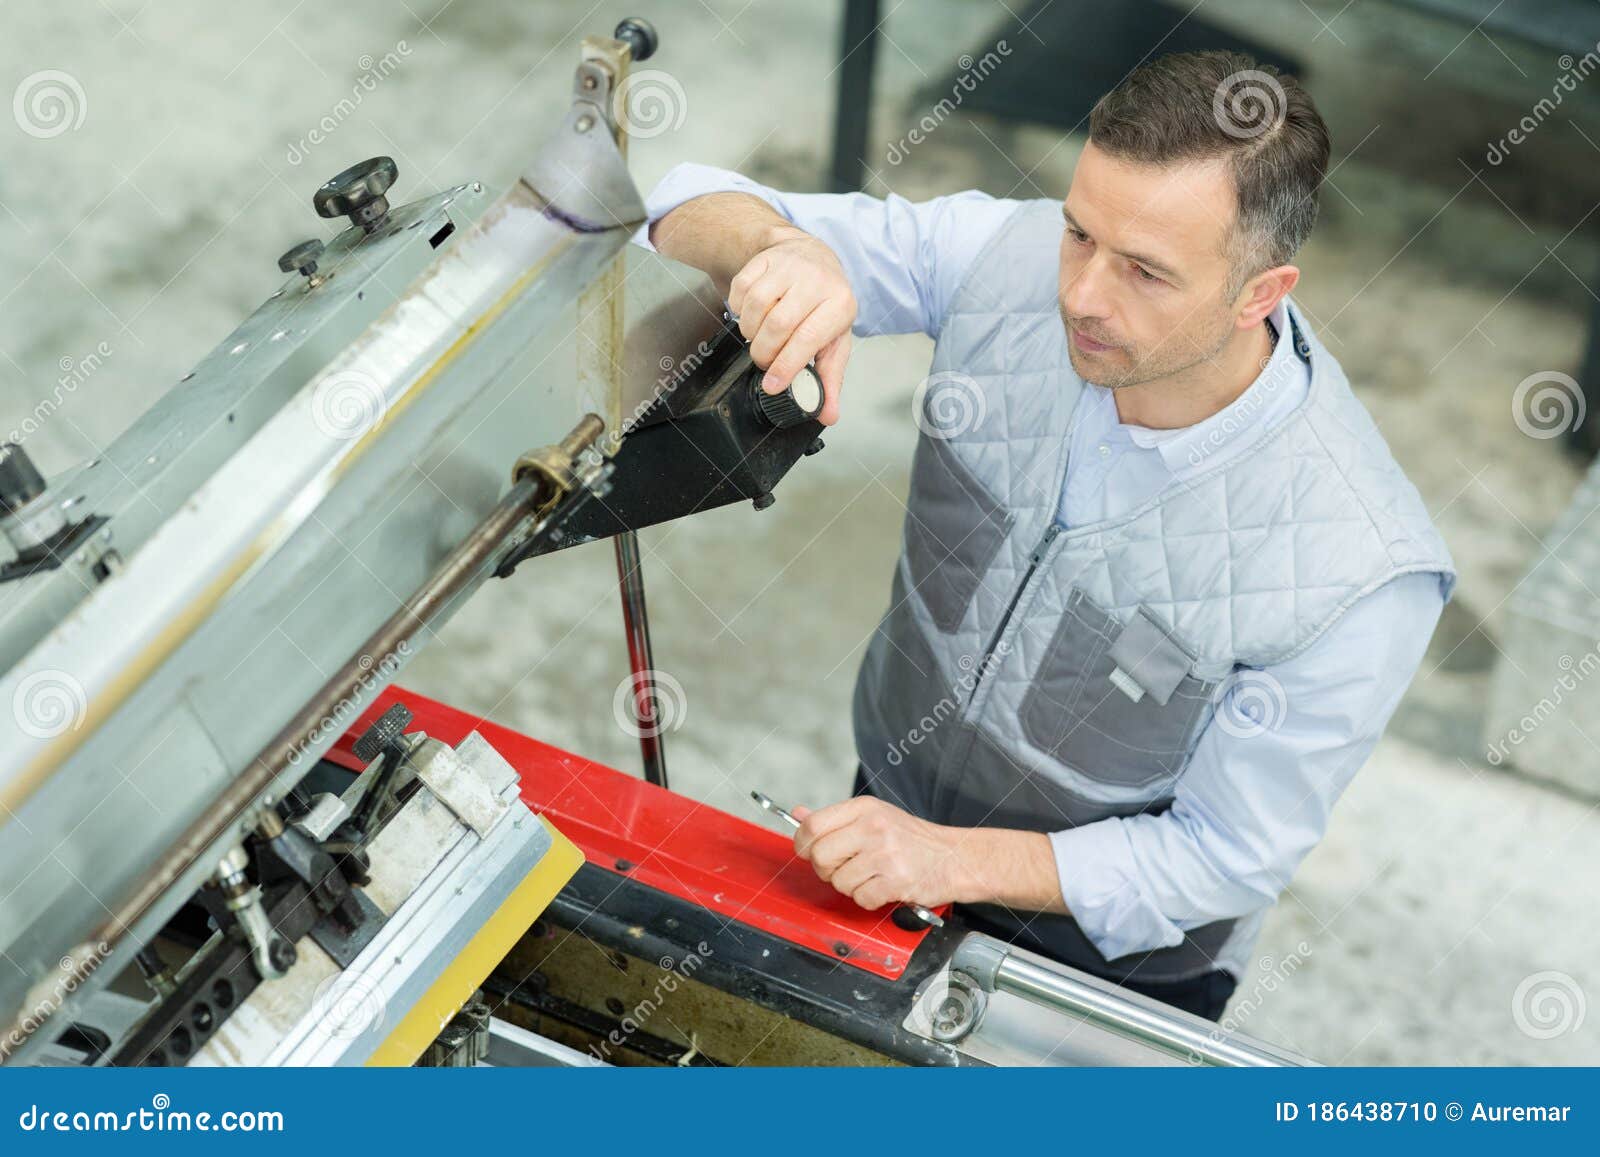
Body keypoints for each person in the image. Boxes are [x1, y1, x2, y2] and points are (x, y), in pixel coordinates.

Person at [640, 51, 1454, 1022]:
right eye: (1079, 231)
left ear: (1259, 294)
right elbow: (687, 199)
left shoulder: (1358, 567)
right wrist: (785, 249)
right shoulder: (1005, 259)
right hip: (889, 824)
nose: (1080, 294)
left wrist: (952, 856)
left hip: (1111, 963)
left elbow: (1222, 854)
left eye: (1145, 271)